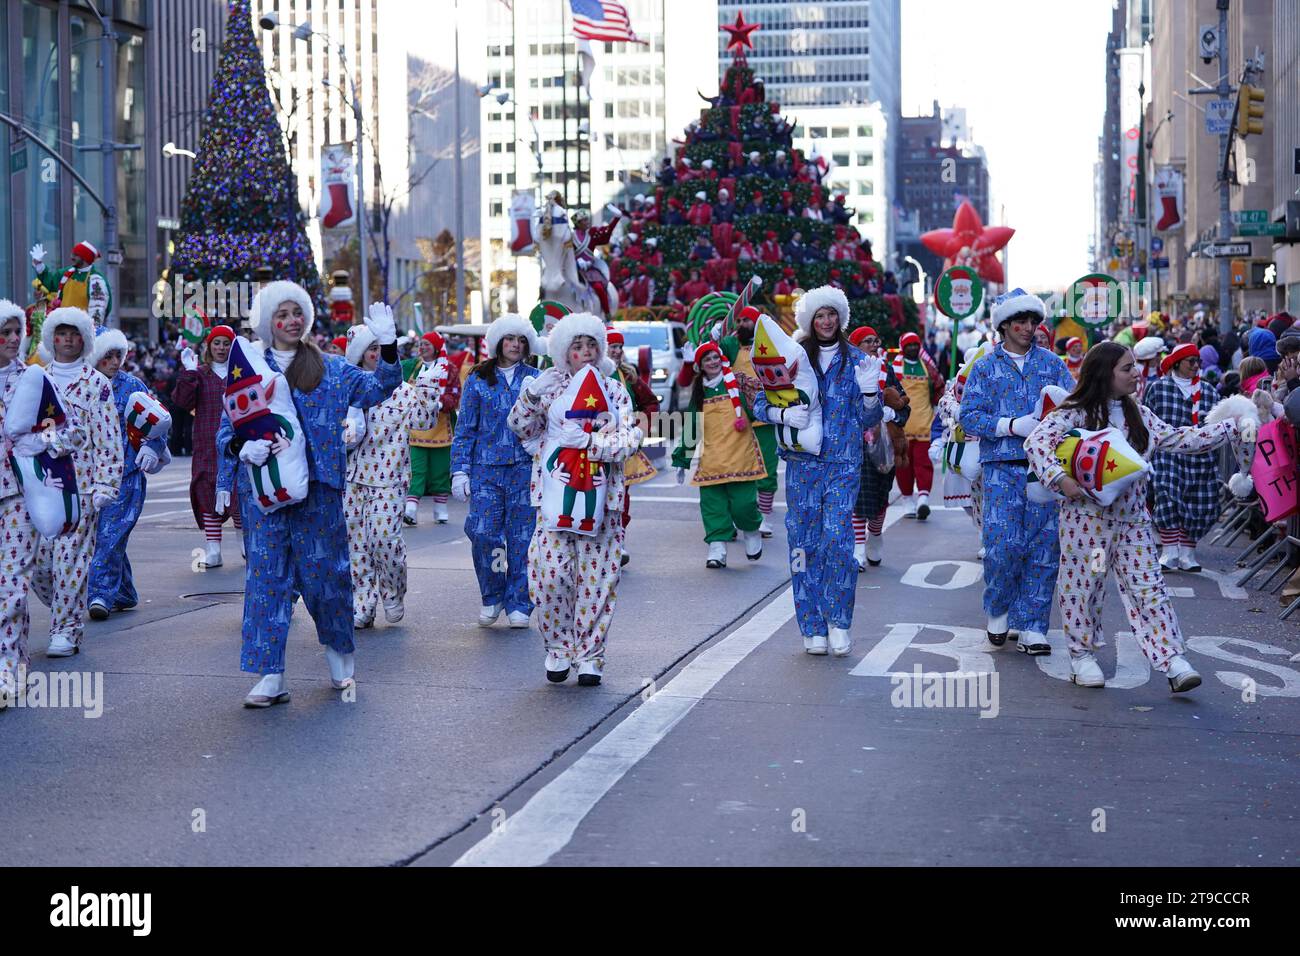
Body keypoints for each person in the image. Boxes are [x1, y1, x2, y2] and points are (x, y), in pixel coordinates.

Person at [216, 281, 401, 707]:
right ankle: (270, 674)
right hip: (265, 493)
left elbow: (380, 388)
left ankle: (340, 655)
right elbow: (225, 431)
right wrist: (242, 448)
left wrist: (388, 346)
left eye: (296, 313)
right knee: (266, 580)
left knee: (326, 576)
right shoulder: (247, 368)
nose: (290, 321)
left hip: (319, 490)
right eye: (281, 315)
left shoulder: (332, 368)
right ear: (267, 323)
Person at [1026, 342, 1246, 692]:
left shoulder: (1139, 414)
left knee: (1150, 589)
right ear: (1104, 373)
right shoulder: (1074, 413)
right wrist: (1061, 480)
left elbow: (1182, 438)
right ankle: (1082, 656)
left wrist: (1234, 426)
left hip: (1133, 525)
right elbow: (1036, 443)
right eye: (1127, 368)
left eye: (1134, 366)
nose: (1136, 372)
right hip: (1088, 528)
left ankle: (1172, 659)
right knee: (1086, 587)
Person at [508, 315, 642, 685]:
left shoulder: (614, 391)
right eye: (577, 347)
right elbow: (520, 427)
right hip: (553, 499)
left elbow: (630, 440)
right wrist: (532, 395)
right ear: (564, 352)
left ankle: (590, 655)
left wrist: (589, 443)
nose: (585, 353)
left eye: (591, 346)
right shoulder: (548, 387)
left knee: (596, 582)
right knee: (549, 577)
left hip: (603, 505)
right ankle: (557, 647)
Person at [752, 287, 885, 657]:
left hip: (843, 463)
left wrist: (872, 395)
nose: (826, 322)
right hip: (802, 467)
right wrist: (781, 415)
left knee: (839, 541)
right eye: (819, 316)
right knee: (803, 546)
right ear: (809, 320)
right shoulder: (792, 357)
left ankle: (839, 622)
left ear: (840, 319)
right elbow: (761, 403)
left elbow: (870, 420)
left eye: (831, 315)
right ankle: (811, 625)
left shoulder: (859, 361)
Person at [959, 289, 1075, 656]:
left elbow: (1072, 409)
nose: (1029, 329)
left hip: (1044, 470)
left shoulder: (1053, 365)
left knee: (1043, 548)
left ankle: (1034, 626)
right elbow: (969, 416)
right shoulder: (985, 366)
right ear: (1004, 326)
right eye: (1021, 323)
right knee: (1003, 546)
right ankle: (998, 608)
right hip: (1001, 469)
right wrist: (1011, 424)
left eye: (1033, 322)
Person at [27, 307, 122, 658]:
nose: (67, 339)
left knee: (71, 559)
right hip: (40, 485)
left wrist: (106, 484)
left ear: (84, 339)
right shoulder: (35, 378)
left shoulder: (96, 383)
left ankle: (66, 629)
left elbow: (109, 435)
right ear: (51, 338)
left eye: (74, 334)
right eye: (61, 333)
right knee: (37, 562)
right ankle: (67, 606)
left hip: (80, 488)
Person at [344, 325, 440, 628]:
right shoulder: (347, 389)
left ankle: (392, 591)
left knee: (384, 540)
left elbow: (425, 422)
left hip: (389, 479)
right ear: (360, 356)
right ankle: (362, 603)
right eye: (369, 349)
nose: (375, 353)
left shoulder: (403, 391)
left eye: (379, 347)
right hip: (352, 479)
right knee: (355, 545)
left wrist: (427, 389)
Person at [450, 315, 540, 628]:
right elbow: (464, 428)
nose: (515, 345)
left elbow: (548, 423)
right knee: (483, 533)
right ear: (498, 342)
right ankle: (492, 594)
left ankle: (519, 602)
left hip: (524, 470)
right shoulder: (477, 378)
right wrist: (459, 471)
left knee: (522, 540)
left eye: (521, 340)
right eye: (510, 338)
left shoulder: (537, 377)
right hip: (485, 470)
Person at [86, 327, 169, 621]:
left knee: (110, 536)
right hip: (91, 475)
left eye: (118, 354)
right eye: (107, 355)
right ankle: (123, 592)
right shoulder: (84, 385)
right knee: (103, 538)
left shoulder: (133, 385)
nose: (114, 361)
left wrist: (154, 447)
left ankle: (98, 595)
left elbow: (158, 422)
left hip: (127, 475)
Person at [672, 341, 766, 567]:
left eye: (715, 357)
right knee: (713, 506)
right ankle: (717, 547)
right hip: (712, 460)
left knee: (743, 504)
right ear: (701, 365)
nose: (712, 362)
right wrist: (682, 459)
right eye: (707, 359)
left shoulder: (738, 383)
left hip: (740, 456)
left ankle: (752, 531)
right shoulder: (700, 392)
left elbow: (757, 409)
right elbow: (693, 426)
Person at [1143, 342, 1221, 572]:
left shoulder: (1208, 391)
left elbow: (1215, 425)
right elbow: (1147, 422)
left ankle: (1188, 553)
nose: (1196, 366)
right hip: (1169, 453)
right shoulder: (1158, 388)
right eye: (1191, 362)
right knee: (1167, 495)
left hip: (1200, 456)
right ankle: (1169, 551)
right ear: (1177, 363)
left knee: (1202, 502)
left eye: (1198, 362)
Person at [173, 325, 241, 567]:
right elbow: (182, 402)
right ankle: (213, 549)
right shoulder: (200, 373)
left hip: (236, 444)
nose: (221, 348)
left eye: (226, 343)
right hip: (205, 443)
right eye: (217, 343)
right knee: (206, 493)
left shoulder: (240, 373)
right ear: (209, 347)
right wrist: (188, 374)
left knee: (238, 494)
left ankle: (244, 543)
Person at [848, 326, 909, 569]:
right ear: (856, 346)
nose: (874, 345)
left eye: (876, 340)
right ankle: (857, 549)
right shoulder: (846, 370)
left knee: (880, 498)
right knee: (858, 498)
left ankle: (875, 534)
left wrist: (893, 412)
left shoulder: (888, 370)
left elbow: (904, 402)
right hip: (855, 442)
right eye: (867, 341)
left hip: (884, 445)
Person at [719, 306, 781, 535]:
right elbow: (712, 356)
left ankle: (764, 515)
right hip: (738, 419)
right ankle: (738, 515)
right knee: (738, 469)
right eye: (739, 320)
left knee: (767, 470)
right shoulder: (731, 344)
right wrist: (715, 335)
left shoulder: (770, 342)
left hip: (766, 418)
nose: (742, 323)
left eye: (747, 320)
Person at [606, 327, 660, 565]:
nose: (617, 351)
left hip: (624, 448)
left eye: (619, 347)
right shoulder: (589, 373)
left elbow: (650, 403)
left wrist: (640, 428)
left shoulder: (628, 375)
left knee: (621, 497)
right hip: (595, 448)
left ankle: (619, 541)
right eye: (612, 346)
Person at [403, 331, 460, 526]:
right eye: (421, 344)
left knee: (440, 470)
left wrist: (439, 404)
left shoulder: (449, 369)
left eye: (427, 344)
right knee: (416, 469)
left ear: (436, 347)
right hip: (416, 429)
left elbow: (454, 395)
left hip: (441, 428)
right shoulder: (412, 366)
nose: (422, 347)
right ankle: (410, 508)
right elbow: (396, 377)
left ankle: (440, 508)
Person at [891, 331, 944, 519]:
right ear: (903, 348)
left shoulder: (928, 366)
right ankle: (907, 500)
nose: (913, 348)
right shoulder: (895, 368)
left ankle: (923, 498)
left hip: (925, 425)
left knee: (924, 464)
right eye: (909, 345)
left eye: (915, 344)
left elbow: (939, 386)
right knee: (903, 466)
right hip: (902, 428)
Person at [31, 240, 112, 325]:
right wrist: (39, 265)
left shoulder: (97, 279)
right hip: (62, 325)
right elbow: (49, 287)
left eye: (76, 255)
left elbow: (101, 308)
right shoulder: (66, 273)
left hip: (82, 329)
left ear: (85, 257)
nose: (71, 257)